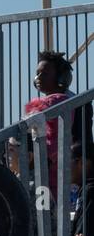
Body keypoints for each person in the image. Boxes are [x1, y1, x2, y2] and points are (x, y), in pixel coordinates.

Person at [25, 50, 90, 197]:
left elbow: (81, 139)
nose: (38, 77)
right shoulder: (42, 106)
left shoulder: (77, 103)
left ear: (62, 78)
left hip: (66, 174)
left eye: (45, 73)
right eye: (37, 73)